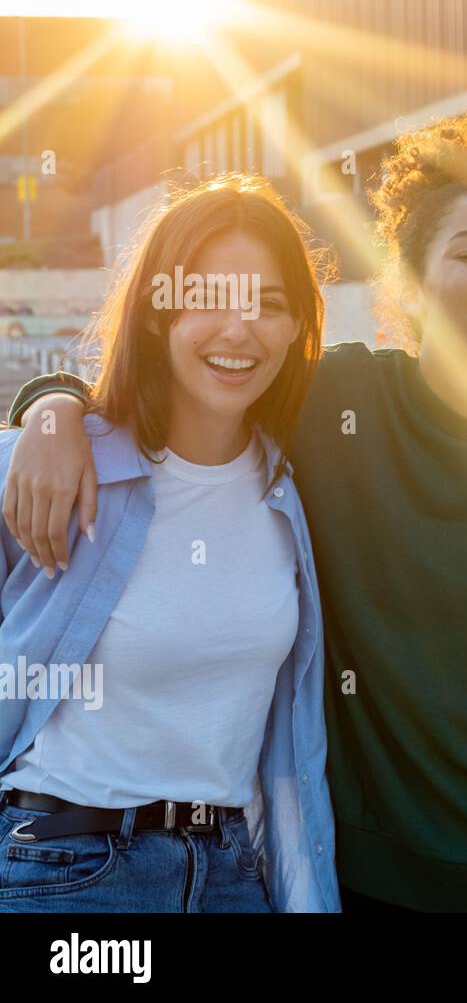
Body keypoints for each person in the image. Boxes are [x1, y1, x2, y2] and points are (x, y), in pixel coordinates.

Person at [3, 111, 467, 913]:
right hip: (356, 877)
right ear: (406, 279)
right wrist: (50, 405)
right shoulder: (334, 404)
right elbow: (179, 381)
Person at [0, 174, 338, 912]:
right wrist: (51, 406)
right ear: (157, 310)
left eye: (268, 304)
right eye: (209, 297)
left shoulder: (297, 478)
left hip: (230, 875)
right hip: (69, 869)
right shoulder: (61, 459)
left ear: (294, 328)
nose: (238, 329)